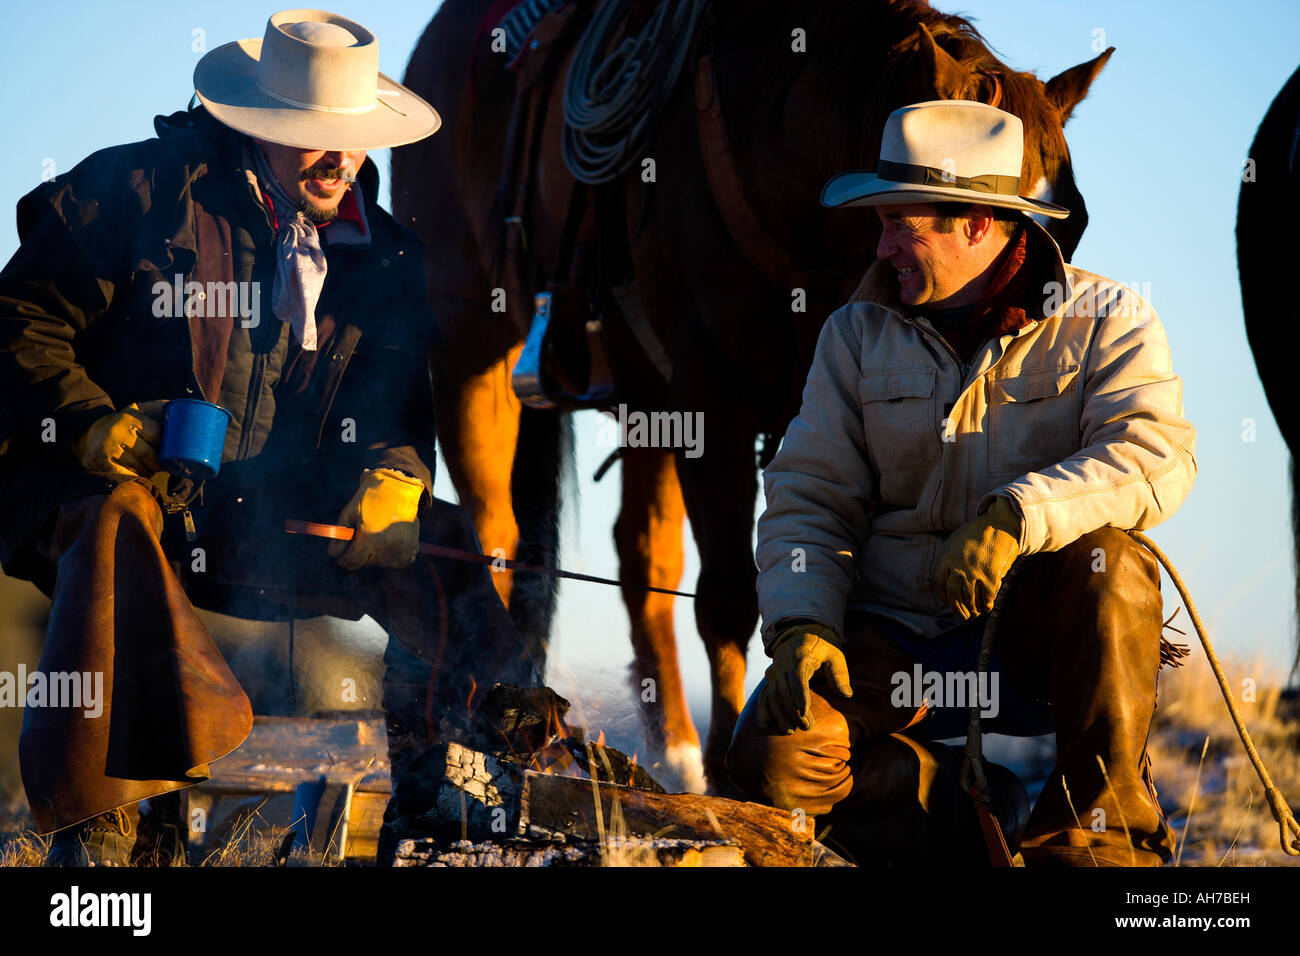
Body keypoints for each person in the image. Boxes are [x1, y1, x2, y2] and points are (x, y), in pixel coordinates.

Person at [0, 9, 539, 866]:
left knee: (443, 553)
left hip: (270, 520)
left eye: (354, 137)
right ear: (259, 127)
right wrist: (85, 422)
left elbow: (400, 412)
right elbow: (18, 320)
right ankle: (106, 835)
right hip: (113, 489)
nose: (340, 158)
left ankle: (453, 811)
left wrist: (395, 478)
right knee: (117, 524)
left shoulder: (390, 257)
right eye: (315, 137)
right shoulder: (134, 194)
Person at [726, 100, 1197, 867]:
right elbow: (809, 494)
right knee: (773, 763)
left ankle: (1095, 845)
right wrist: (801, 623)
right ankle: (975, 811)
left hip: (1037, 634)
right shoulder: (852, 333)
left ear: (977, 223)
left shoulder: (1109, 317)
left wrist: (1017, 518)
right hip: (893, 627)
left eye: (900, 226)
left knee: (1115, 566)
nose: (880, 248)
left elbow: (1154, 454)